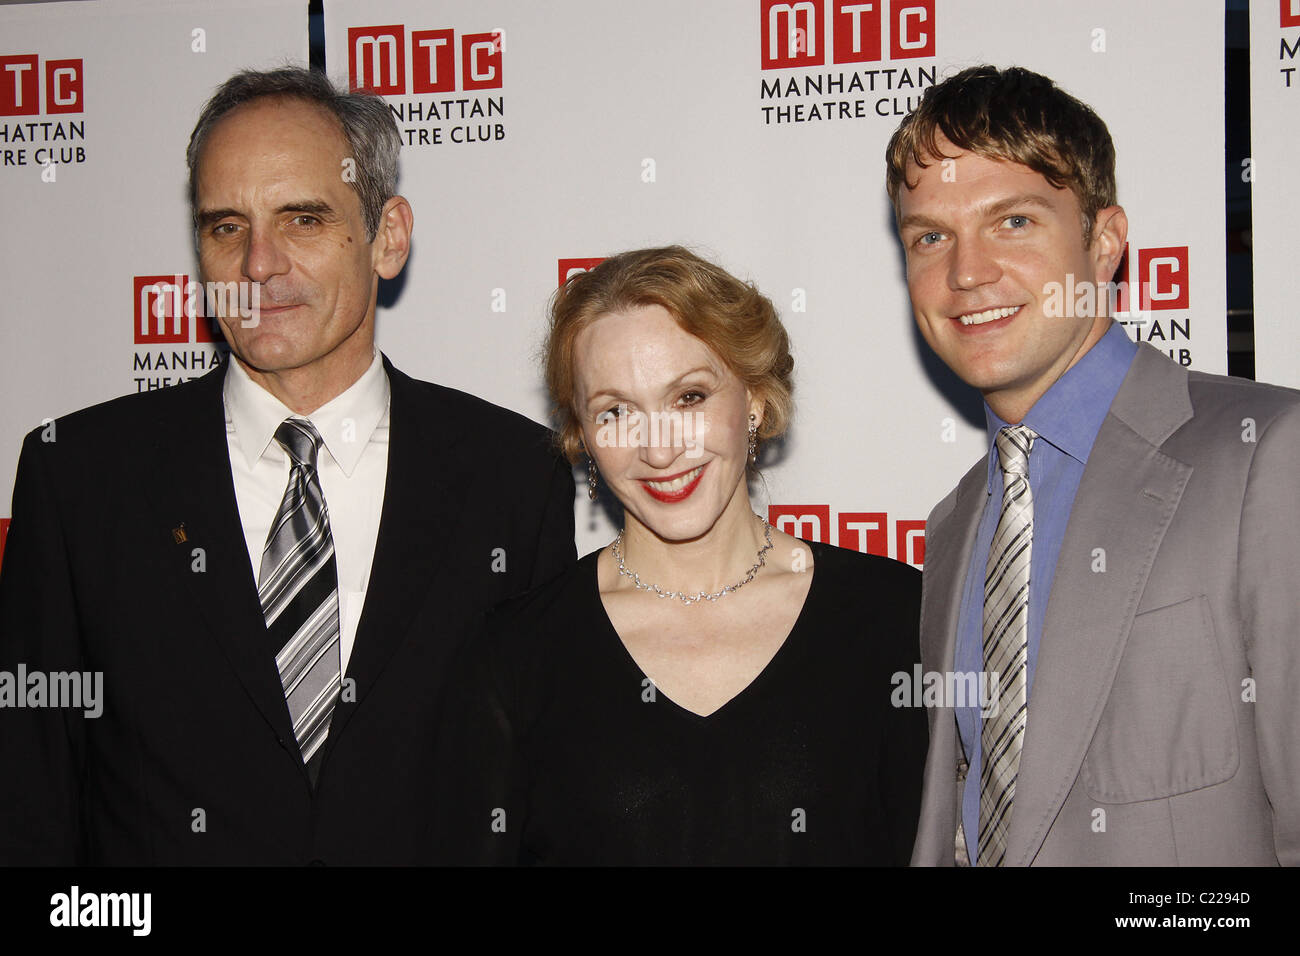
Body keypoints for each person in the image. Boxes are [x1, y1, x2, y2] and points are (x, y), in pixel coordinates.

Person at [0, 67, 575, 865]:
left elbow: (542, 796)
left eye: (303, 220)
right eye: (225, 226)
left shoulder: (511, 475)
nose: (258, 266)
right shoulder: (79, 477)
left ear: (388, 236)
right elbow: (30, 808)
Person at [887, 65, 1300, 866]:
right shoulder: (956, 522)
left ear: (1105, 243)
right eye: (931, 235)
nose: (966, 272)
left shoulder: (1266, 457)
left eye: (1012, 222)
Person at [432, 246, 925, 865]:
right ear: (581, 436)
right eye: (615, 412)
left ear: (754, 400)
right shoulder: (514, 660)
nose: (659, 452)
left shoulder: (893, 620)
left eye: (689, 397)